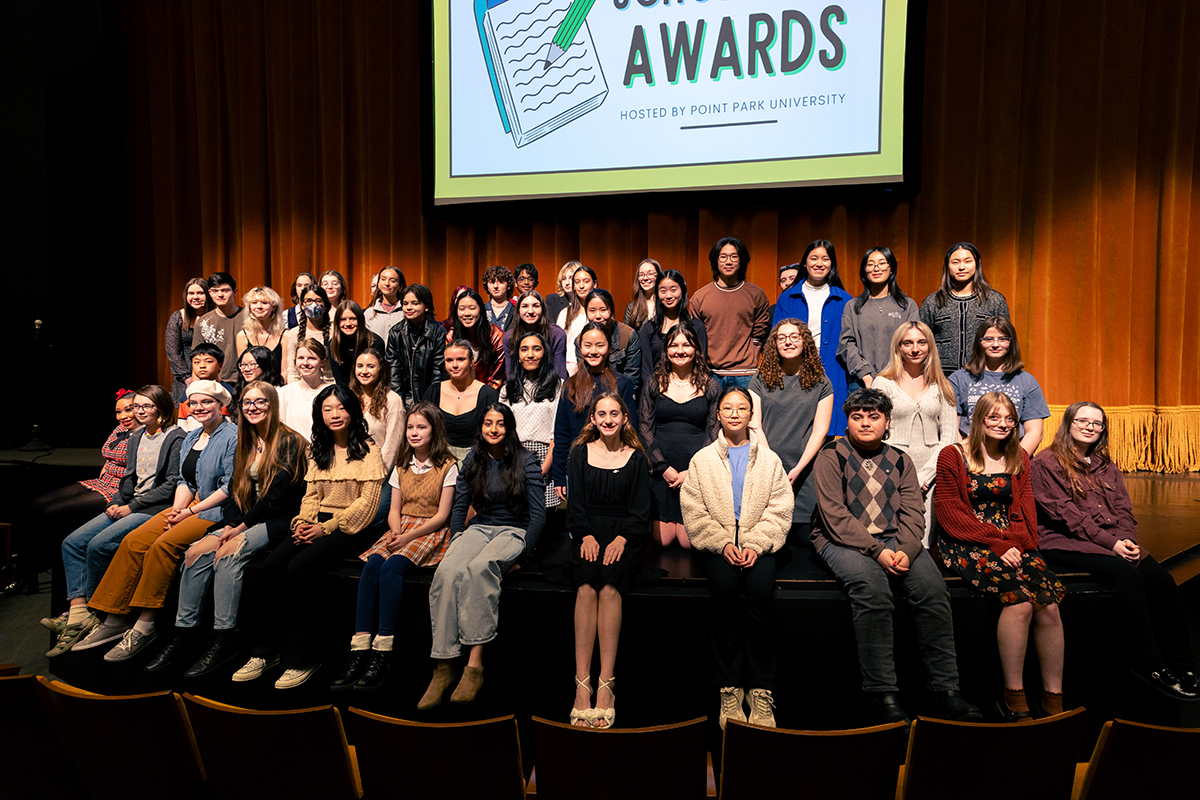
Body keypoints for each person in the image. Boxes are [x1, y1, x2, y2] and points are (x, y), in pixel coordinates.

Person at [812, 388, 983, 724]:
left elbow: (913, 512)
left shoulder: (900, 460)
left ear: (887, 421)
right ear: (847, 421)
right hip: (841, 539)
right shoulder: (831, 455)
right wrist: (878, 552)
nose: (865, 423)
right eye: (857, 416)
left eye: (873, 416)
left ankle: (945, 691)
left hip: (895, 539)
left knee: (933, 591)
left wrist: (905, 550)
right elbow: (835, 515)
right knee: (873, 592)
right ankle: (882, 695)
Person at [1033, 401, 1199, 701]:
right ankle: (1150, 664)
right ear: (1068, 424)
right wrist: (1113, 545)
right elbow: (1067, 516)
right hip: (1067, 541)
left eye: (1096, 423)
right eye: (1082, 421)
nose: (1089, 427)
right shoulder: (1046, 464)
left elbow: (1123, 508)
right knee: (1127, 576)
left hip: (1113, 540)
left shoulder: (1105, 465)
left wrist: (1128, 540)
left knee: (1163, 581)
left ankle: (1185, 665)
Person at [148, 382, 307, 678]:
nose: (253, 408)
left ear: (272, 405)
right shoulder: (245, 441)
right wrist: (232, 523)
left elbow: (278, 498)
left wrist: (240, 528)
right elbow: (235, 489)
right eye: (247, 403)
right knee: (194, 554)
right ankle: (184, 635)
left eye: (260, 402)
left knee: (228, 555)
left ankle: (225, 640)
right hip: (247, 518)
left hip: (280, 520)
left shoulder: (289, 441)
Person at [235, 384, 387, 688]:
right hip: (316, 522)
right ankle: (265, 652)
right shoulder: (319, 449)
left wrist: (325, 528)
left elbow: (366, 506)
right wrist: (303, 522)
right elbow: (311, 495)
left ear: (353, 411)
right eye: (327, 409)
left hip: (351, 527)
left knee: (298, 567)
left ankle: (304, 658)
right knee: (272, 566)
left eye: (341, 408)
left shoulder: (368, 449)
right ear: (319, 414)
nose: (335, 414)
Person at [79, 381, 238, 663]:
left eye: (207, 402)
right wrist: (177, 511)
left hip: (215, 510)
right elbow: (184, 481)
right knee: (133, 541)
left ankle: (145, 625)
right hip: (187, 505)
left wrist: (188, 513)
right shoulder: (193, 436)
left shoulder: (232, 436)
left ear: (220, 404)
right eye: (195, 402)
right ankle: (113, 619)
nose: (200, 408)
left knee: (162, 546)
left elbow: (227, 488)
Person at [936, 393, 1066, 719]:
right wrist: (996, 544)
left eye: (1009, 419)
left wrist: (1017, 545)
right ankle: (1013, 695)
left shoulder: (1020, 456)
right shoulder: (953, 455)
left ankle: (1053, 697)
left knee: (1048, 603)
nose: (1003, 424)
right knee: (1020, 602)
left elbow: (1026, 514)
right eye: (994, 418)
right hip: (968, 543)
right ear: (978, 420)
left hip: (1013, 544)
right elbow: (951, 514)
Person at [417, 403, 546, 709]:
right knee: (447, 571)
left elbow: (539, 515)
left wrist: (524, 555)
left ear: (509, 427)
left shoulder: (526, 460)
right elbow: (460, 503)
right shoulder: (474, 457)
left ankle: (474, 667)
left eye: (499, 424)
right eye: (488, 423)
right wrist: (457, 537)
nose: (493, 429)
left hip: (512, 530)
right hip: (479, 528)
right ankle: (443, 667)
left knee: (479, 568)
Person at [680, 386, 792, 729]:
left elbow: (780, 509)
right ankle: (729, 688)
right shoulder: (702, 460)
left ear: (750, 415)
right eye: (727, 408)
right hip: (720, 546)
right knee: (725, 593)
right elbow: (694, 510)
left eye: (741, 408)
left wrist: (755, 544)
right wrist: (722, 542)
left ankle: (760, 689)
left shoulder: (770, 460)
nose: (733, 413)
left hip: (758, 546)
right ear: (718, 414)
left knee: (760, 593)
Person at [48, 387, 185, 655]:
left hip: (152, 508)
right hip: (128, 504)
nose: (139, 411)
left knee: (99, 545)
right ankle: (79, 611)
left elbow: (170, 485)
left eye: (146, 406)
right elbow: (128, 479)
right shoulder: (135, 437)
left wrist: (131, 506)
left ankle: (97, 612)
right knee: (72, 542)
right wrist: (115, 502)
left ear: (162, 408)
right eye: (137, 407)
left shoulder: (175, 437)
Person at [332, 402, 458, 692]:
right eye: (411, 427)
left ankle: (383, 651)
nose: (414, 433)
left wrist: (407, 538)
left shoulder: (447, 466)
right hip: (402, 527)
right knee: (373, 563)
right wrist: (397, 530)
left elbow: (442, 515)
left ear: (434, 430)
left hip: (430, 529)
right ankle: (360, 647)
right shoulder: (403, 465)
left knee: (391, 568)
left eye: (421, 427)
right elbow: (394, 508)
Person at [555, 394, 651, 728]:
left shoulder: (637, 458)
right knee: (585, 586)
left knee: (609, 585)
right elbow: (576, 505)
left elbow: (640, 511)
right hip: (588, 532)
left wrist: (622, 538)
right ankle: (582, 684)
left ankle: (606, 685)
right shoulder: (579, 454)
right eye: (601, 414)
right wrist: (585, 535)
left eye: (615, 414)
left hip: (625, 535)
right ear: (592, 419)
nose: (608, 419)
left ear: (625, 418)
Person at [3, 391, 138, 607]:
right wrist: (103, 471)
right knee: (39, 504)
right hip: (102, 480)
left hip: (118, 489)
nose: (123, 415)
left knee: (52, 512)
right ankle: (24, 566)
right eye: (118, 411)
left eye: (129, 409)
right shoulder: (121, 429)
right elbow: (108, 455)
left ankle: (29, 568)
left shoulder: (145, 434)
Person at [871, 321, 958, 545]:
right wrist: (900, 476)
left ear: (930, 346)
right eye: (907, 343)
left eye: (921, 342)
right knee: (891, 538)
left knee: (922, 541)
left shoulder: (943, 386)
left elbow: (949, 440)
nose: (915, 349)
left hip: (930, 477)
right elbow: (874, 433)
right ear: (898, 347)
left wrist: (924, 477)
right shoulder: (882, 383)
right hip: (889, 472)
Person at [749, 319, 833, 537]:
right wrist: (772, 464)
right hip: (766, 467)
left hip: (804, 471)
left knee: (804, 540)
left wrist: (798, 469)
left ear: (805, 341)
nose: (788, 342)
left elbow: (820, 431)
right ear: (774, 344)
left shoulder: (822, 382)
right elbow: (755, 424)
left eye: (794, 336)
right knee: (768, 535)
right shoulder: (759, 380)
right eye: (781, 338)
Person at [640, 323, 720, 549]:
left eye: (687, 344)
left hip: (695, 469)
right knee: (662, 541)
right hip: (660, 469)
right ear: (666, 350)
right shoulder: (654, 382)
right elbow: (645, 427)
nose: (680, 350)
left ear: (696, 349)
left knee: (687, 543)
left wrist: (692, 471)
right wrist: (662, 467)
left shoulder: (711, 385)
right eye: (674, 345)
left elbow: (713, 432)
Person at [774, 240, 852, 436]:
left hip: (833, 370)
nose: (819, 263)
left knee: (831, 430)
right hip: (794, 371)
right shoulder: (788, 297)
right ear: (805, 263)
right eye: (814, 258)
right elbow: (776, 339)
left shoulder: (845, 299)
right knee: (795, 428)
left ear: (832, 264)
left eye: (825, 259)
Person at [553, 323, 637, 499]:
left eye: (600, 345)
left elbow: (631, 431)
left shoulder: (623, 384)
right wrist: (559, 476)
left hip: (615, 467)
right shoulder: (570, 386)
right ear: (580, 347)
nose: (593, 351)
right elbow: (562, 434)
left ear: (609, 348)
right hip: (577, 469)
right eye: (587, 345)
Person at [950, 316, 1049, 456]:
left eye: (1003, 339)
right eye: (989, 339)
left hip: (1012, 455)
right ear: (979, 342)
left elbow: (1035, 432)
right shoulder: (959, 379)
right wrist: (966, 458)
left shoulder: (1027, 381)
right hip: (970, 454)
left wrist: (1014, 462)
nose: (995, 344)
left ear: (1011, 343)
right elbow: (951, 428)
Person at [689, 236, 770, 389]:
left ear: (742, 261)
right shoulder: (699, 297)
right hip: (711, 373)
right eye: (723, 257)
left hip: (746, 373)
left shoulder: (756, 294)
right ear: (716, 261)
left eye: (734, 257)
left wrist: (751, 360)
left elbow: (759, 333)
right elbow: (696, 336)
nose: (728, 262)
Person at [919, 243, 1011, 377]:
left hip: (984, 375)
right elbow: (921, 340)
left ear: (977, 263)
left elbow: (1006, 340)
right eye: (955, 262)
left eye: (968, 261)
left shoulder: (994, 300)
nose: (962, 267)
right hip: (941, 377)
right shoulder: (933, 302)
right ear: (947, 265)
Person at [837, 247, 919, 392]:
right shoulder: (852, 306)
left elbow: (914, 343)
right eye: (870, 264)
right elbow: (846, 345)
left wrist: (896, 374)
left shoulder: (907, 305)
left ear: (891, 268)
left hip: (899, 381)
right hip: (861, 383)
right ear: (864, 270)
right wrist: (865, 375)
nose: (876, 268)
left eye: (882, 263)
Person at [500, 332, 563, 513]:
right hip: (514, 458)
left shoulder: (559, 386)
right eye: (524, 349)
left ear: (545, 354)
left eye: (536, 349)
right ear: (518, 357)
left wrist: (542, 469)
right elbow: (503, 431)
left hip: (546, 457)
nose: (530, 354)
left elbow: (557, 434)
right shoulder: (507, 390)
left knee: (542, 519)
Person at [428, 340, 501, 464]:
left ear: (472, 361)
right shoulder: (434, 392)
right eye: (449, 360)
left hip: (477, 463)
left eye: (461, 359)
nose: (454, 365)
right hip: (439, 461)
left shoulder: (488, 394)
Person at [638, 269, 709, 391]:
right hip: (657, 392)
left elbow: (702, 365)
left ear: (682, 290)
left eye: (673, 290)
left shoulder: (697, 327)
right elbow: (646, 369)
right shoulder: (649, 328)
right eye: (663, 291)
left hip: (691, 391)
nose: (668, 296)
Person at [386, 283, 446, 409]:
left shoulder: (438, 333)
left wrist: (429, 403)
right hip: (403, 398)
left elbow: (438, 372)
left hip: (430, 398)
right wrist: (398, 403)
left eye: (415, 303)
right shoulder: (396, 332)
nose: (409, 307)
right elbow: (393, 371)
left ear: (426, 306)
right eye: (405, 303)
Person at [582, 288, 641, 398]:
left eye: (603, 310)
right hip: (589, 397)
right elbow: (583, 375)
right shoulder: (581, 339)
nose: (598, 316)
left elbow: (632, 379)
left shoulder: (628, 336)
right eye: (592, 310)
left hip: (620, 397)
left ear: (612, 310)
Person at [165, 278, 213, 403]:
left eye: (200, 293)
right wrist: (188, 378)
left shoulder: (217, 316)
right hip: (185, 377)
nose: (195, 297)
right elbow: (173, 352)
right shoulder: (178, 317)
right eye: (191, 293)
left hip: (213, 374)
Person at [447, 288, 505, 390]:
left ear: (481, 310)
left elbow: (497, 378)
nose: (467, 313)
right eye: (461, 309)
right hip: (458, 392)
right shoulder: (451, 336)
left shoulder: (497, 336)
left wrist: (481, 396)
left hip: (489, 394)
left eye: (472, 308)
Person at [502, 290, 568, 380]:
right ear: (518, 310)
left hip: (550, 385)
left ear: (543, 309)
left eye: (536, 306)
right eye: (525, 306)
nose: (530, 311)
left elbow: (560, 375)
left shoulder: (557, 334)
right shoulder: (509, 337)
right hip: (520, 387)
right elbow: (511, 375)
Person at [277, 338, 334, 441]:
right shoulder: (284, 393)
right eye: (301, 358)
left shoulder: (331, 392)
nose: (305, 363)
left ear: (322, 362)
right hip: (293, 451)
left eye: (311, 358)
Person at [195, 272, 246, 383]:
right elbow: (197, 358)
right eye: (215, 291)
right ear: (209, 293)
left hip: (244, 381)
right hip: (214, 383)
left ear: (235, 292)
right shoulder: (203, 322)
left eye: (225, 290)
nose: (220, 295)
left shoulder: (249, 318)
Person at [283, 284, 334, 384]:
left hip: (330, 387)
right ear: (302, 305)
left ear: (325, 304)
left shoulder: (335, 331)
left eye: (318, 301)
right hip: (303, 388)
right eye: (309, 301)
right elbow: (292, 372)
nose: (313, 305)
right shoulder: (294, 333)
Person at [176, 343, 233, 431]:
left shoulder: (229, 391)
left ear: (220, 365)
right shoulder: (189, 393)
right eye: (196, 362)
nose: (202, 366)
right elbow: (182, 424)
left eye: (208, 361)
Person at [329, 301, 385, 388]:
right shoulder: (333, 344)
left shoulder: (375, 342)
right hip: (346, 393)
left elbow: (379, 376)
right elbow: (340, 380)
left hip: (372, 390)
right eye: (343, 319)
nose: (348, 324)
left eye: (353, 319)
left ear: (360, 319)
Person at [556, 264, 597, 375]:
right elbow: (558, 345)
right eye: (577, 282)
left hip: (592, 368)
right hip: (567, 370)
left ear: (594, 284)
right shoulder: (565, 313)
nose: (581, 286)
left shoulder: (601, 313)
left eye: (586, 281)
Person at [234, 286, 286, 374]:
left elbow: (285, 372)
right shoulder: (242, 336)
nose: (259, 306)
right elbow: (243, 370)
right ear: (249, 307)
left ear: (273, 307)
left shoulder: (285, 335)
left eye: (264, 303)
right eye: (254, 302)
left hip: (277, 386)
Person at [231, 345, 284, 417]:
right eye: (243, 364)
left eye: (252, 364)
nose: (246, 369)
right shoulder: (239, 390)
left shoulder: (278, 393)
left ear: (265, 365)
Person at [365, 266, 407, 341]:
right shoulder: (369, 313)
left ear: (400, 286)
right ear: (378, 283)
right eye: (383, 279)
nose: (387, 283)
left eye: (392, 281)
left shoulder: (406, 310)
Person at [622, 258, 660, 331]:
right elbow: (626, 337)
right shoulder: (632, 308)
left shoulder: (666, 305)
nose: (645, 278)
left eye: (650, 273)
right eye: (641, 275)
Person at [483, 264, 516, 330]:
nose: (495, 286)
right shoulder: (481, 311)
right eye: (492, 282)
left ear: (508, 285)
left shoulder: (516, 312)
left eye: (500, 282)